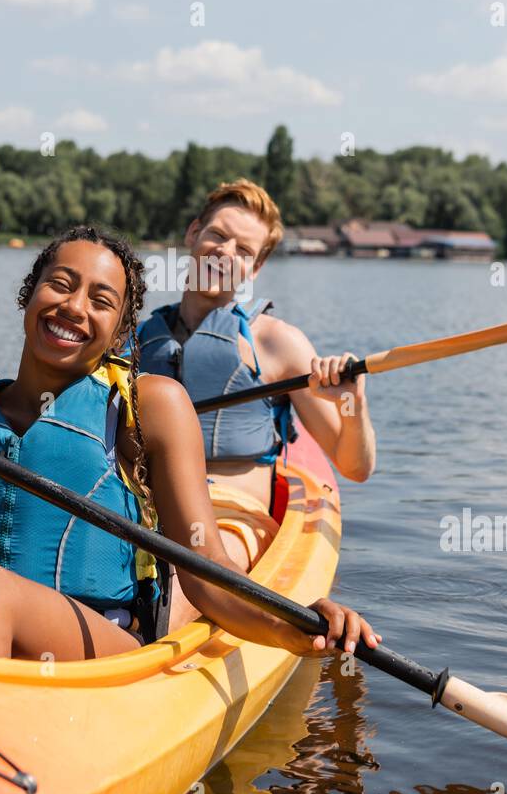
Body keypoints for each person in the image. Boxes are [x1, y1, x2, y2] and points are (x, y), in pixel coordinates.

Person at [0, 225, 380, 663]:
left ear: (120, 330)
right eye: (59, 285)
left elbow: (206, 572)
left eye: (101, 300)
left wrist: (296, 623)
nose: (73, 307)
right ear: (28, 295)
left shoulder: (150, 407)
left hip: (99, 649)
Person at [138, 180, 376, 623]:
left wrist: (351, 404)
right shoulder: (137, 340)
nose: (226, 252)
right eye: (217, 235)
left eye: (244, 250)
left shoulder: (276, 343)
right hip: (143, 505)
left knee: (179, 582)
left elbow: (355, 466)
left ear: (256, 267)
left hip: (231, 515)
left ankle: (148, 636)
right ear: (193, 234)